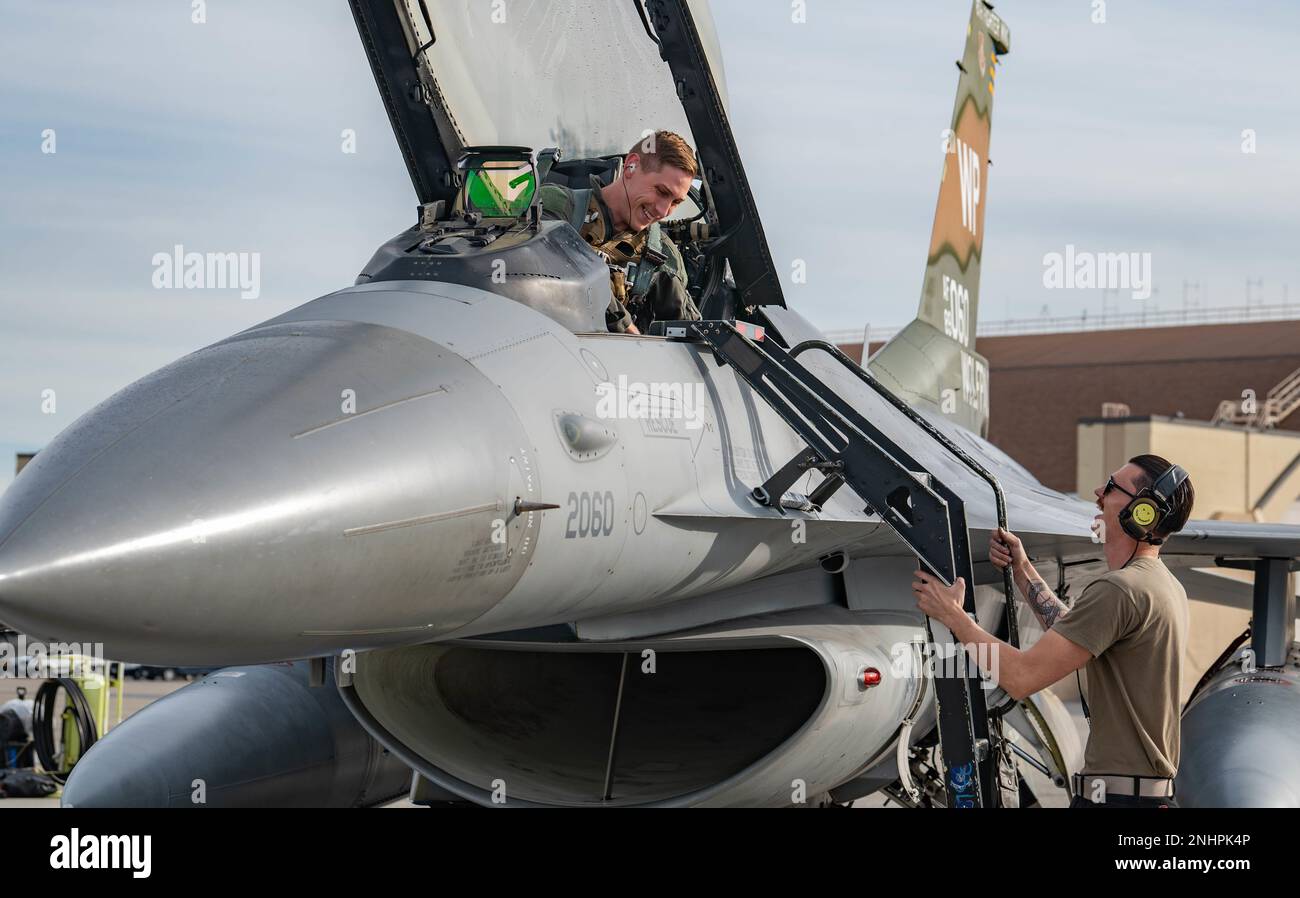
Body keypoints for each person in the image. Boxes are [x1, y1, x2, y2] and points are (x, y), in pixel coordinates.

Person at [911, 453, 1194, 808]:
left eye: (1110, 487)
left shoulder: (1121, 590)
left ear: (1143, 512)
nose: (1097, 493)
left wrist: (954, 617)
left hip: (1117, 801)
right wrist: (1023, 569)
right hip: (1140, 798)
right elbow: (1072, 634)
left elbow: (1020, 676)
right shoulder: (1160, 585)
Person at [541, 130, 700, 333]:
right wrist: (624, 326)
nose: (663, 211)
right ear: (631, 167)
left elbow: (689, 331)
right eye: (661, 191)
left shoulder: (663, 255)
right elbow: (547, 260)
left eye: (675, 202)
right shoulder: (559, 206)